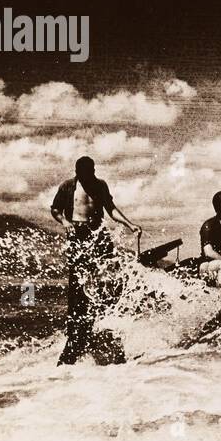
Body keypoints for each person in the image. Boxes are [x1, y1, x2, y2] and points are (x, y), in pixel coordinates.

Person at [49, 156, 141, 365]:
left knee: (107, 276)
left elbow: (111, 209)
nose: (88, 177)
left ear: (94, 171)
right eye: (84, 174)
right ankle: (78, 324)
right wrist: (64, 222)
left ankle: (104, 315)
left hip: (98, 232)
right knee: (79, 282)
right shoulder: (67, 186)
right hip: (77, 232)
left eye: (91, 173)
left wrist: (130, 224)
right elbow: (55, 209)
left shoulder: (100, 185)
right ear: (77, 172)